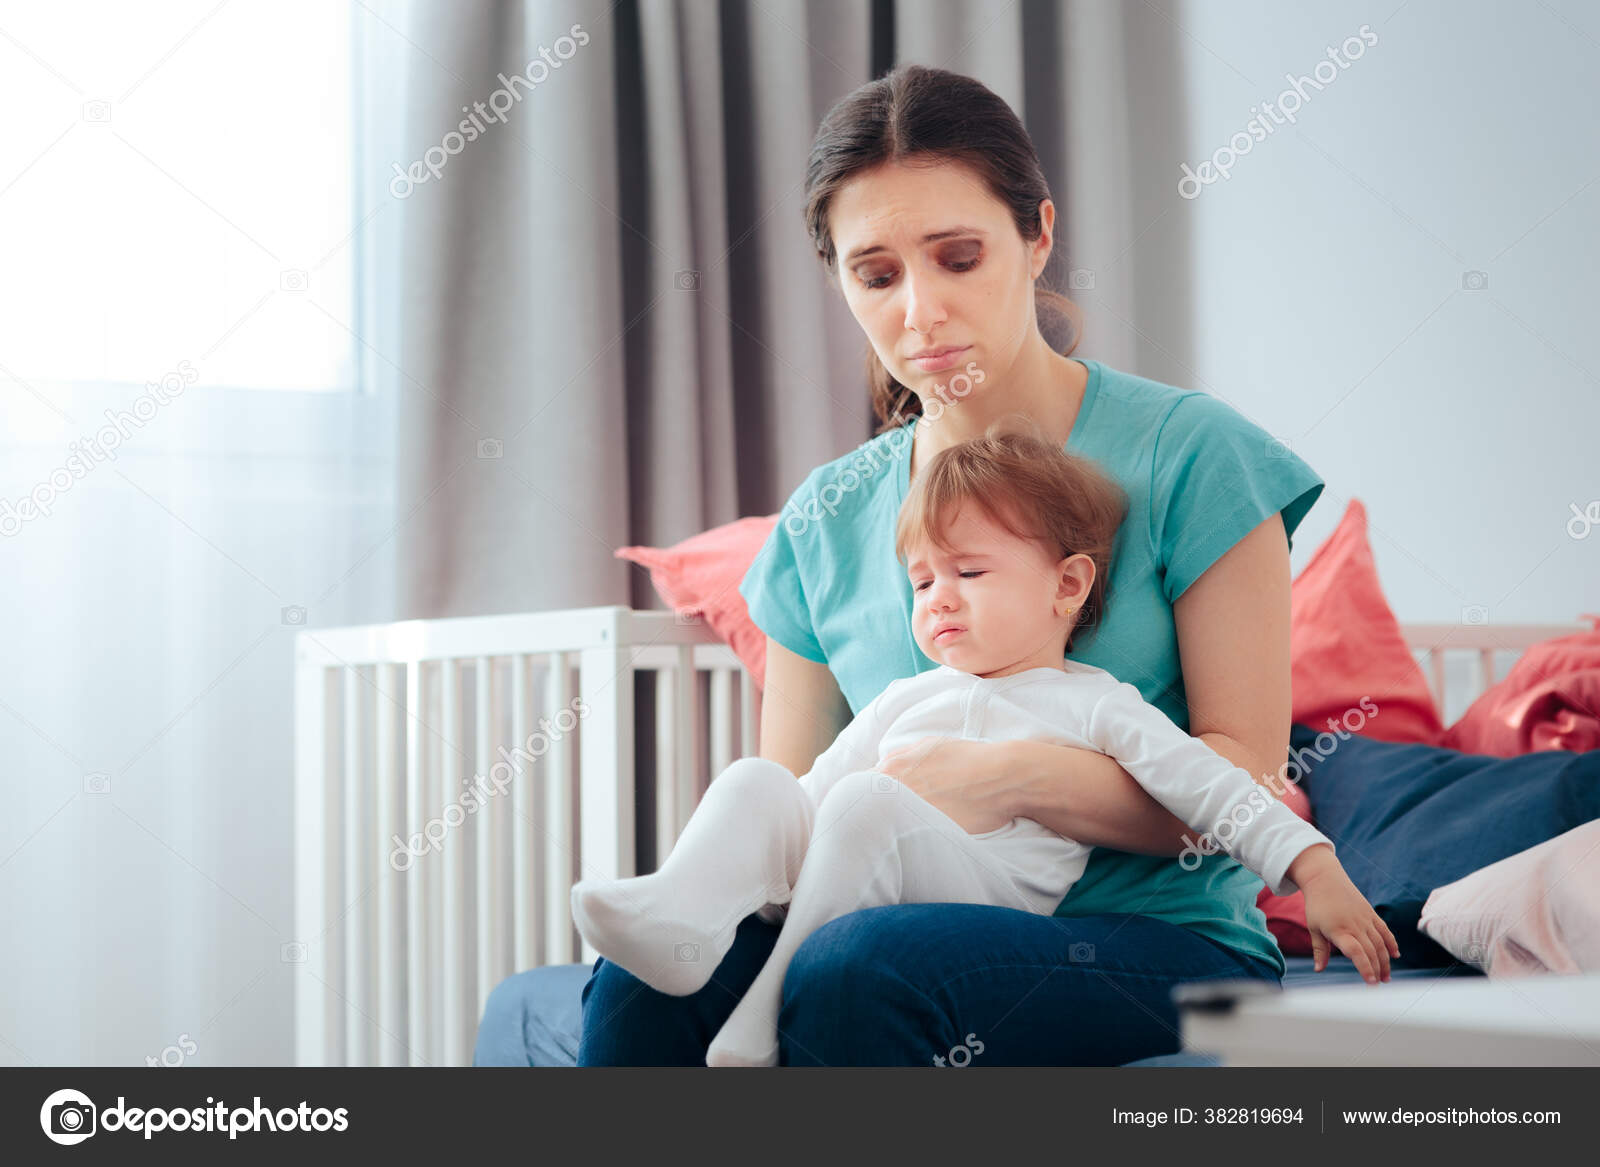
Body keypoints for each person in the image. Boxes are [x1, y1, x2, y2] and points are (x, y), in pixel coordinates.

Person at [474, 62, 1350, 1068]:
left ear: (1038, 237)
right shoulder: (825, 519)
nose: (920, 311)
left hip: (1160, 941)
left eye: (958, 255)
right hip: (889, 900)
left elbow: (1244, 779)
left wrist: (1014, 777)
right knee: (648, 977)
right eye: (877, 274)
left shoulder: (1194, 456)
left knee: (857, 964)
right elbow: (804, 804)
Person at [567, 426, 1393, 1067]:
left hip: (988, 893)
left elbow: (1216, 787)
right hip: (866, 861)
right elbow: (809, 798)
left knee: (869, 798)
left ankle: (763, 1006)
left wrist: (1312, 869)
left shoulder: (1095, 702)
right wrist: (756, 845)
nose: (938, 601)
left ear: (1067, 585)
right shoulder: (907, 697)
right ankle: (675, 908)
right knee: (762, 780)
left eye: (970, 571)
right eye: (923, 582)